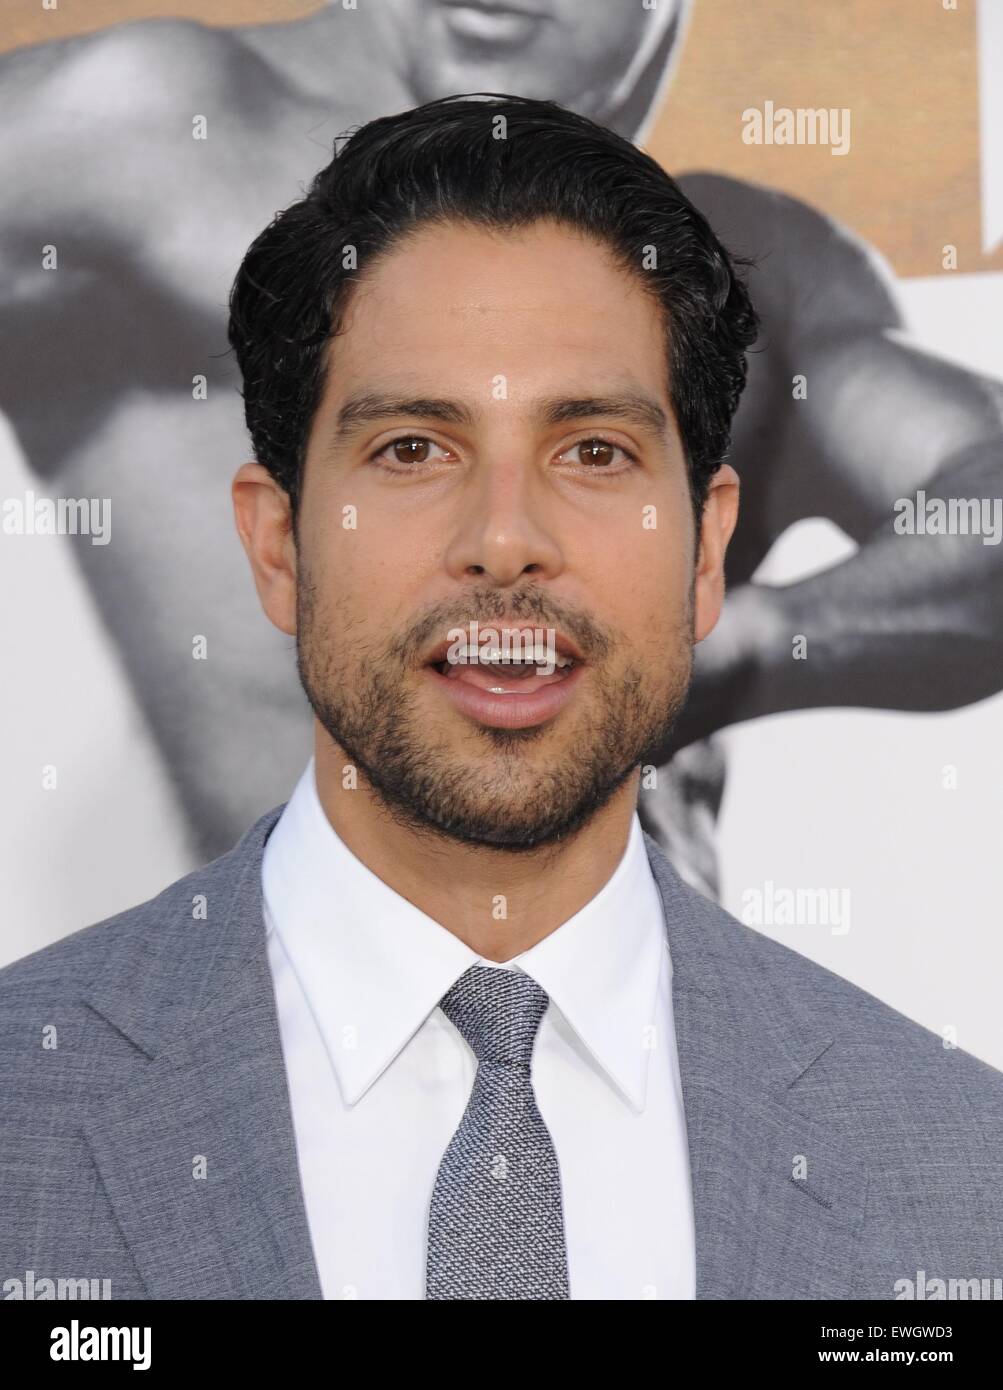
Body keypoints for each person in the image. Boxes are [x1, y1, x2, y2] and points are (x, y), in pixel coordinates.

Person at [2, 96, 1002, 1302]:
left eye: (592, 452)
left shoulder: (959, 1170)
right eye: (413, 449)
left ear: (703, 555)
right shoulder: (26, 1100)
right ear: (277, 547)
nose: (505, 539)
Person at [3, 3, 1001, 900]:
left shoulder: (744, 256)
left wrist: (730, 650)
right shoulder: (161, 123)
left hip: (663, 1043)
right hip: (298, 1047)